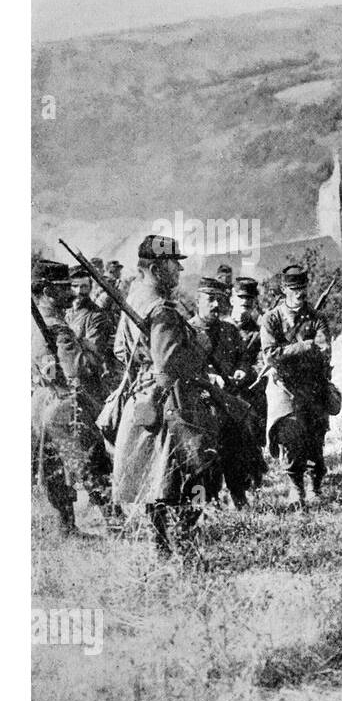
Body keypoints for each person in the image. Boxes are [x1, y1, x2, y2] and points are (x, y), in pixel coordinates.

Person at [111, 235, 220, 553]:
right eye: (175, 263)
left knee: (156, 477)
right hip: (173, 402)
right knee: (202, 468)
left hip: (143, 398)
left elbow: (120, 349)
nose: (179, 269)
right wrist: (198, 348)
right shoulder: (161, 309)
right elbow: (171, 361)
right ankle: (187, 532)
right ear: (157, 268)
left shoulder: (133, 299)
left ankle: (161, 544)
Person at [31, 261, 113, 535]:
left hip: (39, 402)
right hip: (63, 404)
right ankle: (115, 522)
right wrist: (89, 349)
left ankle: (65, 527)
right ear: (48, 290)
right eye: (64, 287)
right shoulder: (59, 329)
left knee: (52, 466)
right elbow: (80, 368)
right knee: (87, 463)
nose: (72, 293)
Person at [260, 264, 333, 504]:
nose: (299, 293)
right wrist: (302, 347)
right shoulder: (272, 319)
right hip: (284, 386)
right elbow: (270, 355)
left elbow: (324, 351)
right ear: (283, 289)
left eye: (302, 288)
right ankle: (295, 486)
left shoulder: (317, 318)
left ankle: (314, 486)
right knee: (291, 434)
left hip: (312, 385)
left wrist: (291, 353)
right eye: (293, 289)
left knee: (315, 435)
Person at [191, 277, 264, 506]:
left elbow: (243, 357)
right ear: (198, 301)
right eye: (209, 299)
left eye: (219, 300)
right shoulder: (188, 331)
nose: (215, 305)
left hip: (228, 401)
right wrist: (207, 377)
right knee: (202, 460)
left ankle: (238, 497)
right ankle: (200, 505)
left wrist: (242, 370)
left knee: (236, 450)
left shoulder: (229, 330)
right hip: (200, 401)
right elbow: (182, 367)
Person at [64, 268, 116, 400]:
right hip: (67, 377)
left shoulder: (96, 315)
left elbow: (93, 353)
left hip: (87, 382)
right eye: (74, 286)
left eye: (84, 286)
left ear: (91, 288)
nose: (79, 291)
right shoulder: (66, 312)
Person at [228, 276, 266, 442]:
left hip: (249, 390)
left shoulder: (260, 333)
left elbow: (263, 362)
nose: (245, 301)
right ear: (231, 300)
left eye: (249, 298)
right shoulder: (220, 328)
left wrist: (248, 372)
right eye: (241, 297)